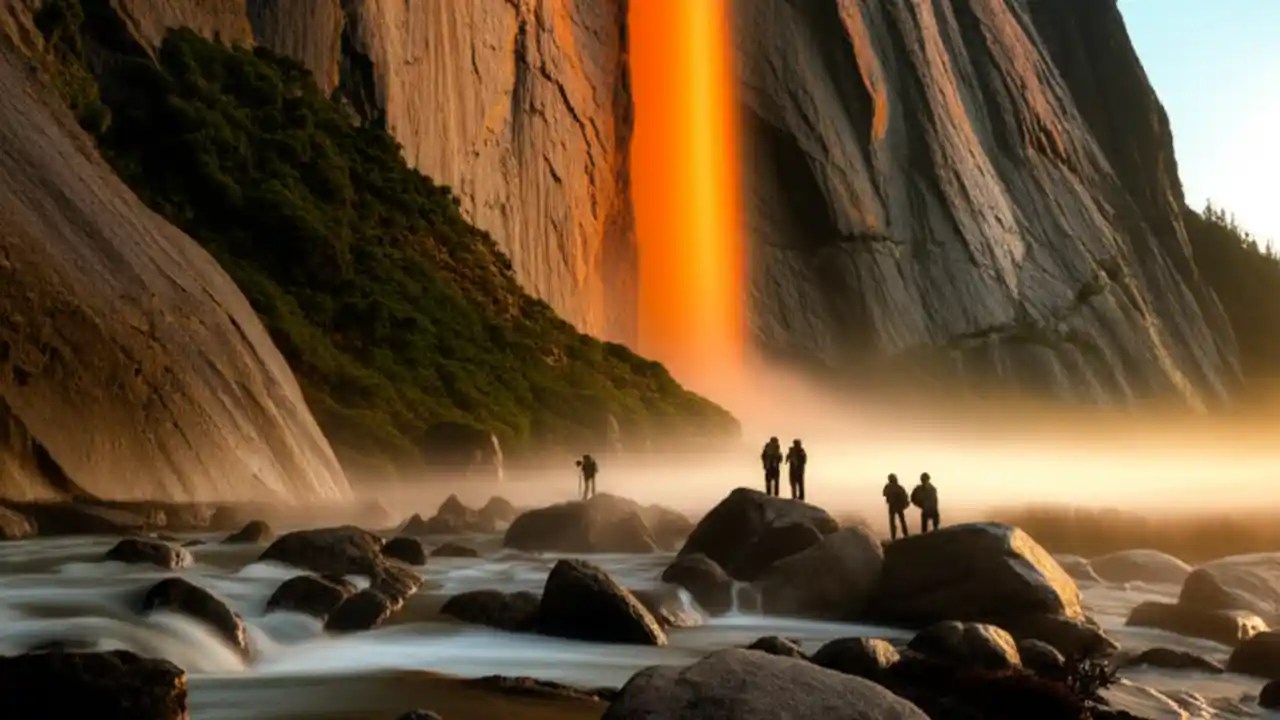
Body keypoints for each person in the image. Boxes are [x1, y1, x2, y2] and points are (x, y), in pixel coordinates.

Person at [883, 473, 910, 540]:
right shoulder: (897, 487)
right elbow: (885, 493)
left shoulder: (893, 487)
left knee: (896, 521)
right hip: (895, 505)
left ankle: (898, 536)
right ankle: (903, 535)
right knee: (899, 521)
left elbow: (885, 494)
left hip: (896, 505)